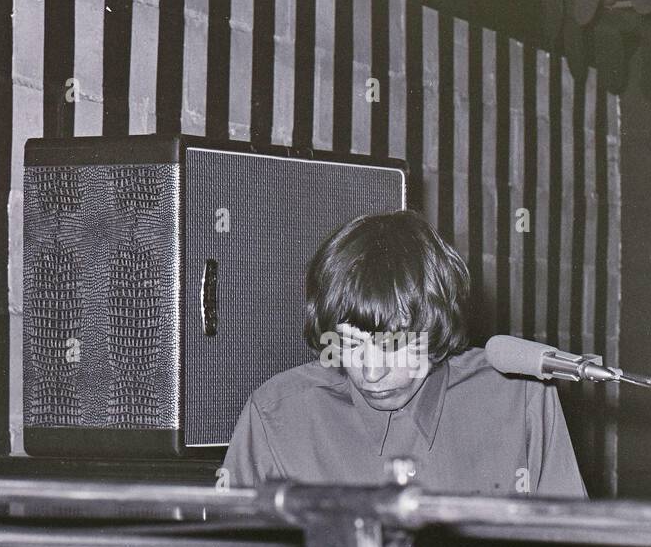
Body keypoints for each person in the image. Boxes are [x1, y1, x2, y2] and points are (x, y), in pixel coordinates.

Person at [222, 210, 587, 498]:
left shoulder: (520, 397)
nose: (371, 372)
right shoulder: (275, 415)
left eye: (394, 344)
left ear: (438, 327)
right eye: (349, 345)